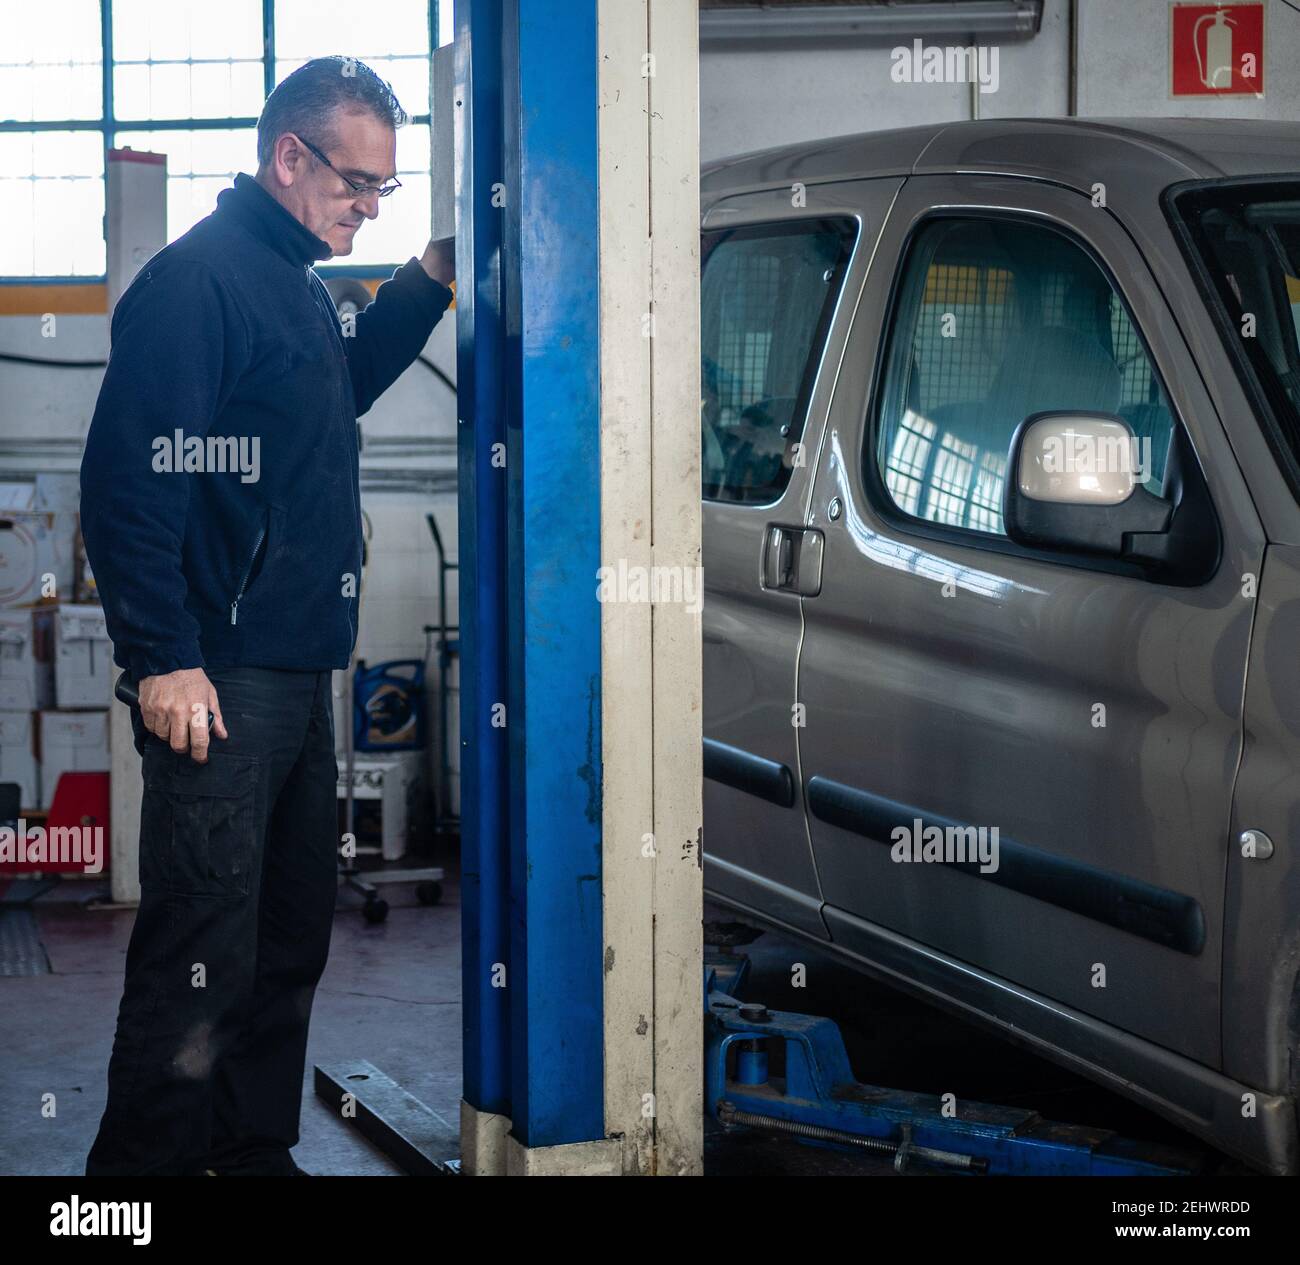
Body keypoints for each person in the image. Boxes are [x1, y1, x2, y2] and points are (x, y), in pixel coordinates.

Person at [79, 55, 455, 1177]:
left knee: (287, 937)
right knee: (199, 950)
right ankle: (134, 1185)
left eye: (387, 191)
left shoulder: (295, 277)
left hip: (295, 672)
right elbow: (128, 483)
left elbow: (343, 379)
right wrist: (161, 660)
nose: (367, 208)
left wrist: (430, 275)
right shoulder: (199, 284)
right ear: (288, 157)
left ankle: (249, 1150)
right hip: (218, 679)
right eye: (356, 185)